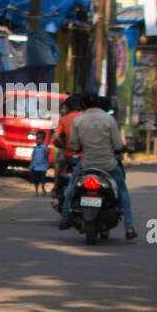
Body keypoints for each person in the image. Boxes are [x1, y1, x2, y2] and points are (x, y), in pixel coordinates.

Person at [64, 93, 137, 241]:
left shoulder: (78, 120)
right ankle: (129, 227)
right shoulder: (109, 119)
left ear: (83, 105)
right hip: (108, 165)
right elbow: (117, 145)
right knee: (122, 190)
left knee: (71, 186)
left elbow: (74, 145)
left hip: (86, 164)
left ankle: (65, 216)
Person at [52, 94, 86, 225]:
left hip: (69, 157)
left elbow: (56, 138)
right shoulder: (86, 118)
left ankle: (56, 190)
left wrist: (63, 145)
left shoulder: (64, 120)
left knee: (60, 172)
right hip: (85, 157)